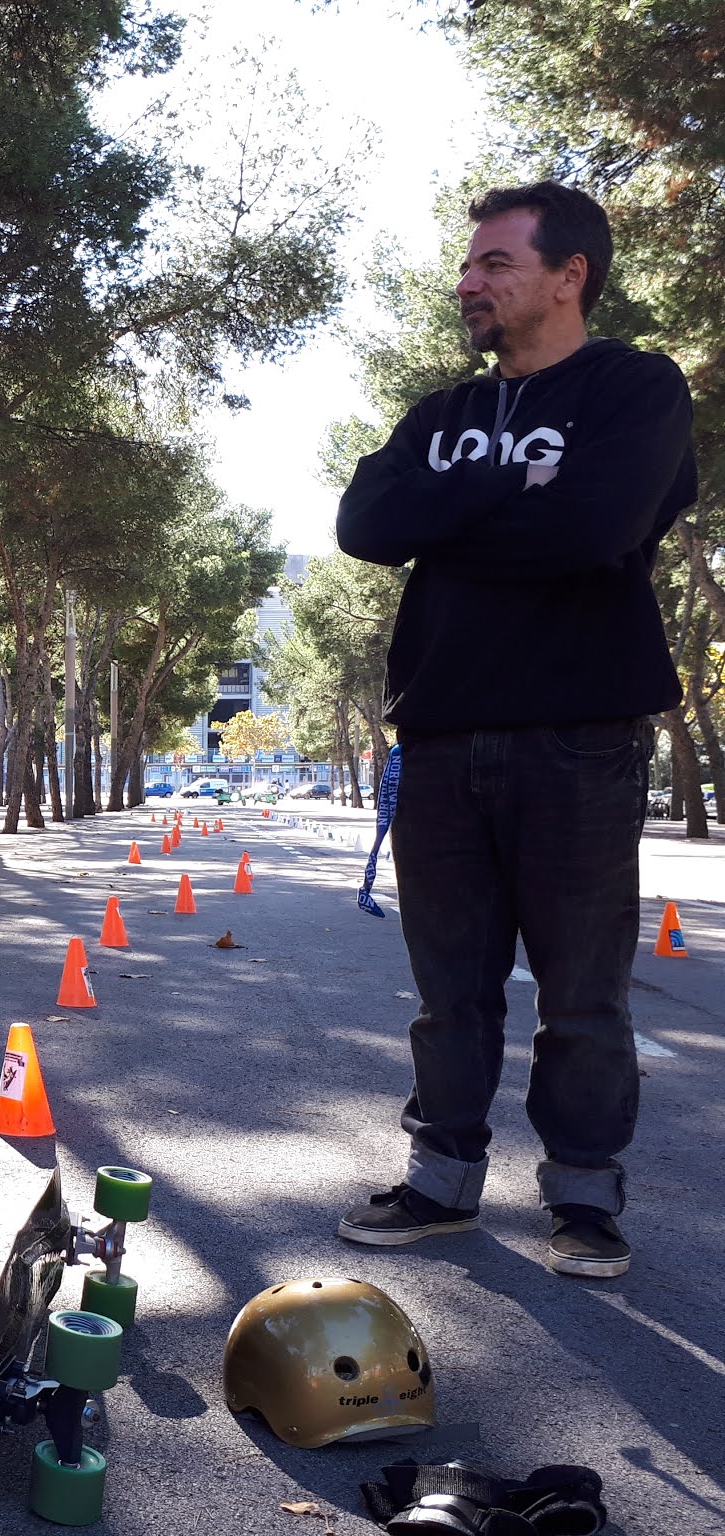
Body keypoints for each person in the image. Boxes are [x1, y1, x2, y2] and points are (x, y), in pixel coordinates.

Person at [335, 181, 697, 1278]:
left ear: (565, 273)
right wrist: (518, 489)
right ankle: (438, 1182)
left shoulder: (631, 388)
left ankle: (583, 1203)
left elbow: (596, 527)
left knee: (581, 996)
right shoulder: (438, 413)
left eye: (494, 262)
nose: (468, 281)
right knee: (449, 991)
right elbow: (364, 525)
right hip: (439, 737)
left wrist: (452, 517)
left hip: (579, 736)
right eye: (470, 263)